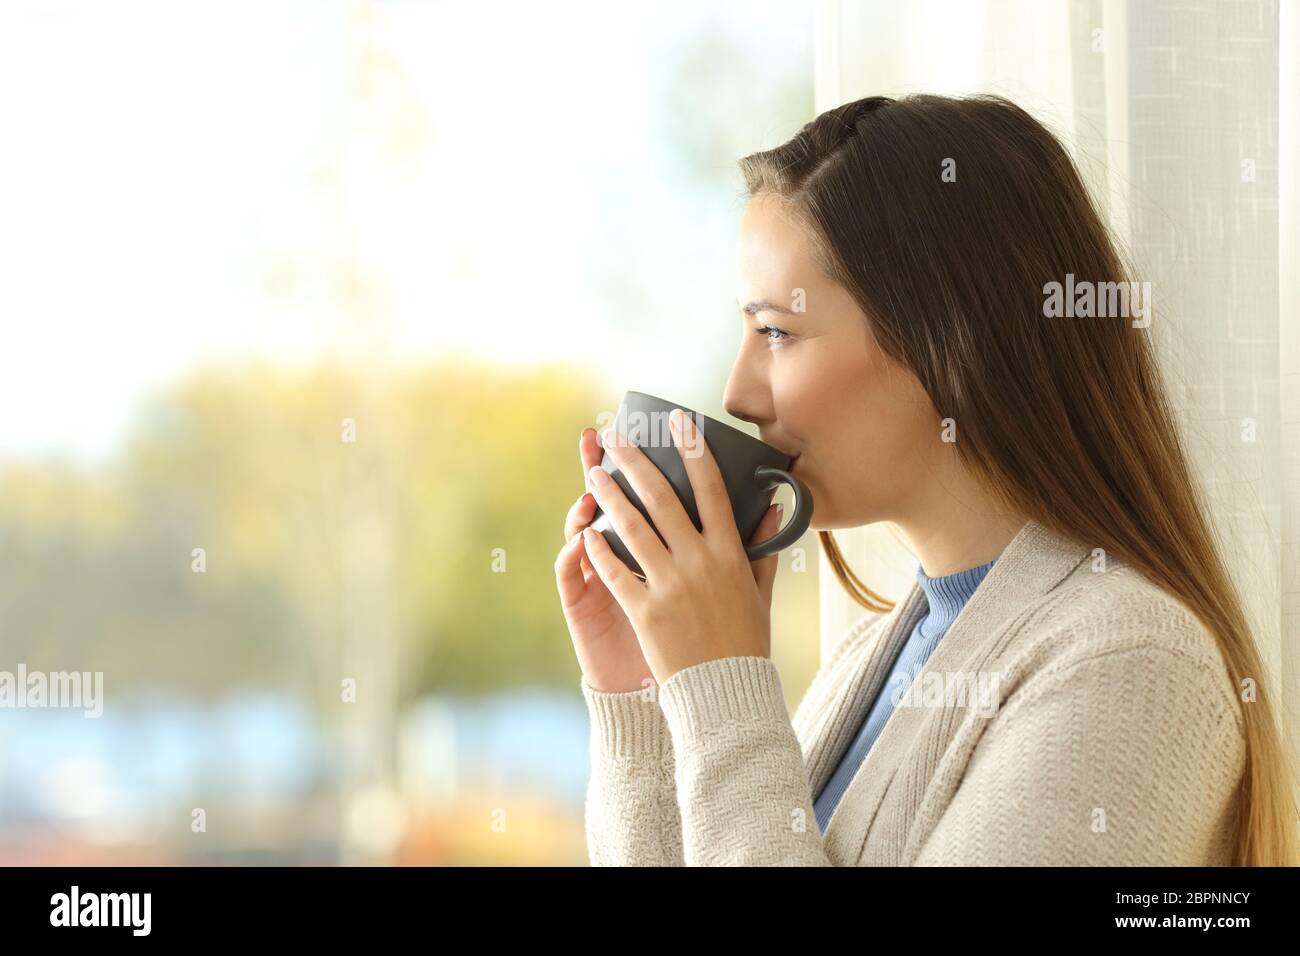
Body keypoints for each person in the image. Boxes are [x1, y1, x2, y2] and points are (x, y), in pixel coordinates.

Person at [554, 93, 1298, 866]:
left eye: (776, 330)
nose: (738, 393)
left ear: (952, 338)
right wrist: (644, 697)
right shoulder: (866, 664)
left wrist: (724, 691)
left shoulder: (1134, 666)